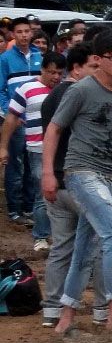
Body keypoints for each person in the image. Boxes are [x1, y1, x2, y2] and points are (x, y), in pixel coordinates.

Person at [41, 31, 112, 334]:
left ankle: (66, 316)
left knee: (85, 246)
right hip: (80, 171)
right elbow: (54, 129)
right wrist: (48, 173)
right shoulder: (81, 90)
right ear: (98, 59)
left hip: (106, 175)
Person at [1, 51, 63, 250]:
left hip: (62, 149)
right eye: (52, 72)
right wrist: (3, 147)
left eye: (59, 73)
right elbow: (11, 118)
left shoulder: (66, 89)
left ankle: (59, 235)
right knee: (43, 192)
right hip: (37, 148)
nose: (55, 77)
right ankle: (41, 236)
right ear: (42, 69)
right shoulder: (27, 88)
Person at [1, 14, 43, 225]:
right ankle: (14, 209)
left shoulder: (39, 56)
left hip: (36, 119)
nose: (24, 35)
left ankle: (29, 207)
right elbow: (1, 90)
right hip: (16, 121)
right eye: (19, 32)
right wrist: (10, 114)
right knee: (15, 164)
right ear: (13, 34)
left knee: (33, 163)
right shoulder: (5, 59)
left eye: (27, 31)